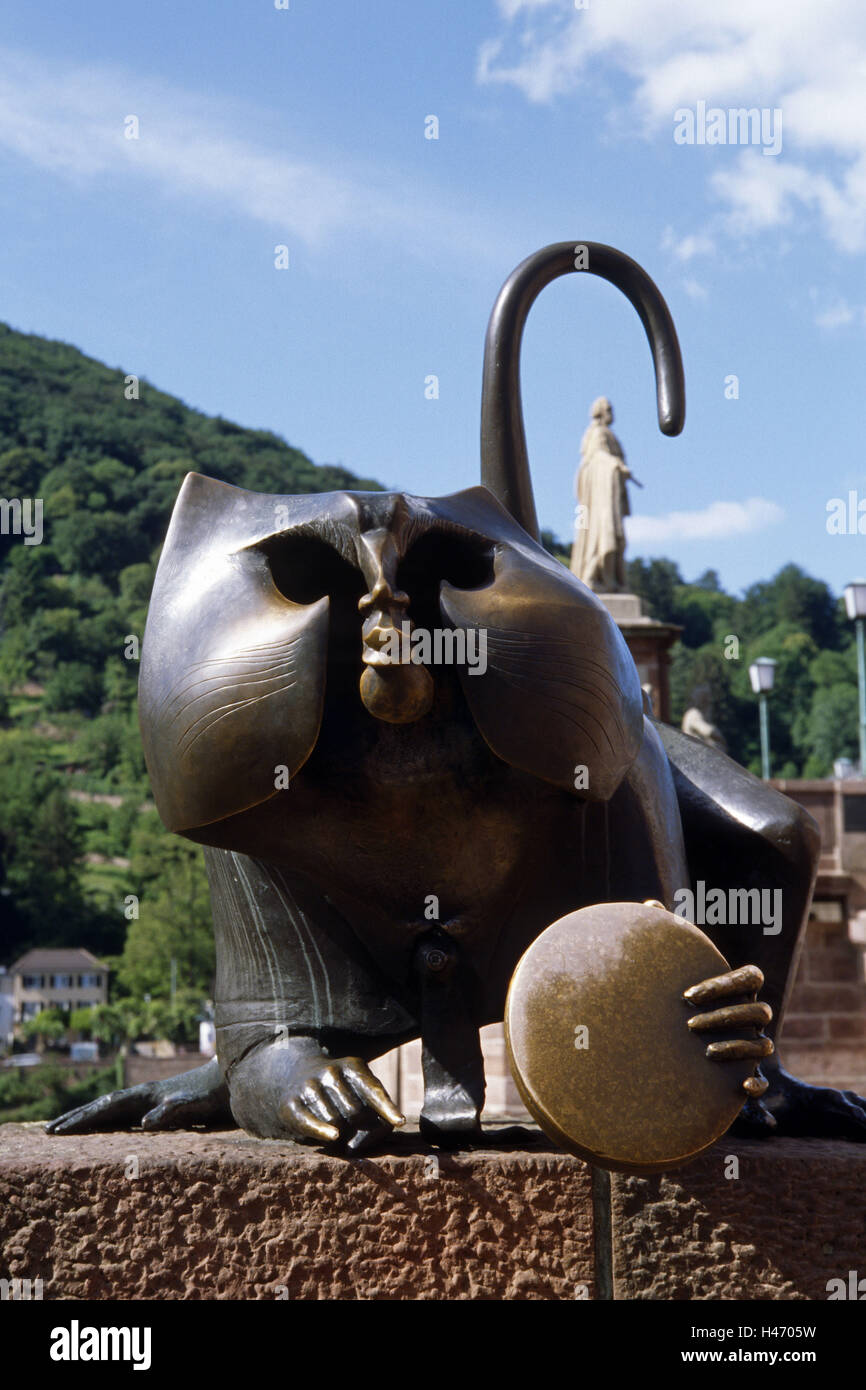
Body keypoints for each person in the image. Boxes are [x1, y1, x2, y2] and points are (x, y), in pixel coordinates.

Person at [570, 397, 640, 591]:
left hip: (609, 494)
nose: (612, 413)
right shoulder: (597, 433)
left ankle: (609, 580)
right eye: (609, 409)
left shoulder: (607, 434)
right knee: (603, 534)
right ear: (600, 411)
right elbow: (597, 457)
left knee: (615, 539)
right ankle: (597, 577)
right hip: (600, 502)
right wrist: (616, 464)